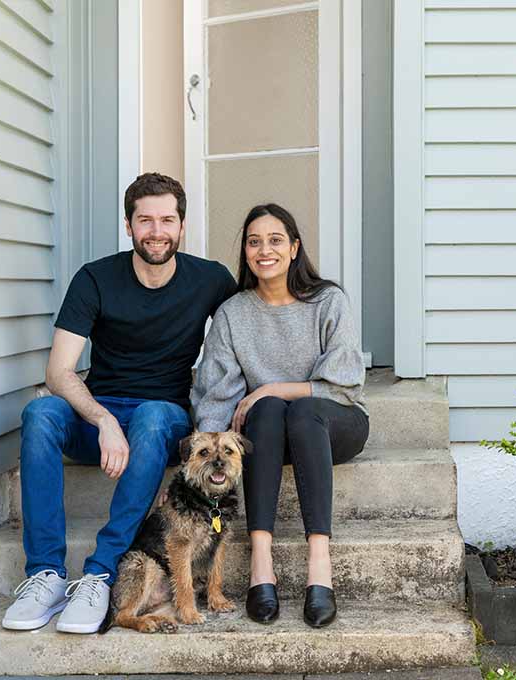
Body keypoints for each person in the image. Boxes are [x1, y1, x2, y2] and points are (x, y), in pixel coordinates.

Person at [2, 173, 238, 633]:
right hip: (101, 414)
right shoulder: (95, 278)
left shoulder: (209, 279)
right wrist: (104, 420)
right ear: (129, 225)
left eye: (167, 219)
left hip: (163, 419)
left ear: (181, 226)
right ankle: (45, 575)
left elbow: (245, 337)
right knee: (40, 413)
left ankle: (100, 574)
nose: (156, 230)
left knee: (151, 417)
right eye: (145, 220)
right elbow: (59, 373)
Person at [192, 203, 368, 628]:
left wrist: (271, 387)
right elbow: (217, 394)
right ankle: (261, 564)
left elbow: (343, 381)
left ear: (293, 248)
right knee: (267, 411)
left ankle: (320, 566)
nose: (263, 250)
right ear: (246, 253)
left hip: (334, 423)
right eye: (254, 242)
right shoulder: (234, 313)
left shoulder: (327, 300)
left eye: (274, 240)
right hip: (269, 433)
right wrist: (203, 456)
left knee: (299, 409)